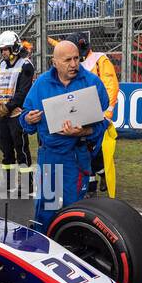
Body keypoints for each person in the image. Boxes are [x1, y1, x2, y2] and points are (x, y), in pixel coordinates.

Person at [18, 39, 109, 230]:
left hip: (76, 156)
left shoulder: (92, 82)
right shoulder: (41, 83)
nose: (74, 64)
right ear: (55, 62)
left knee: (74, 207)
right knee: (46, 207)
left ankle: (74, 250)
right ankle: (42, 246)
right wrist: (28, 119)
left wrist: (85, 131)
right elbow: (25, 117)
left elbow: (103, 123)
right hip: (49, 154)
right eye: (68, 60)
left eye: (77, 58)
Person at [67, 32, 119, 198]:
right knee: (83, 150)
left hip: (98, 113)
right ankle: (90, 187)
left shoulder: (100, 60)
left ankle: (100, 177)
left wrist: (108, 111)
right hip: (80, 111)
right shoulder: (76, 63)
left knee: (94, 151)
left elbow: (110, 85)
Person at [0, 31, 34, 169]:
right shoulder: (2, 66)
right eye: (1, 50)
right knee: (6, 150)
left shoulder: (25, 65)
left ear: (14, 48)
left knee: (21, 149)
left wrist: (7, 107)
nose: (3, 52)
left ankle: (26, 183)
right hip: (3, 116)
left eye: (5, 49)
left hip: (17, 115)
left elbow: (23, 92)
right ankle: (7, 183)